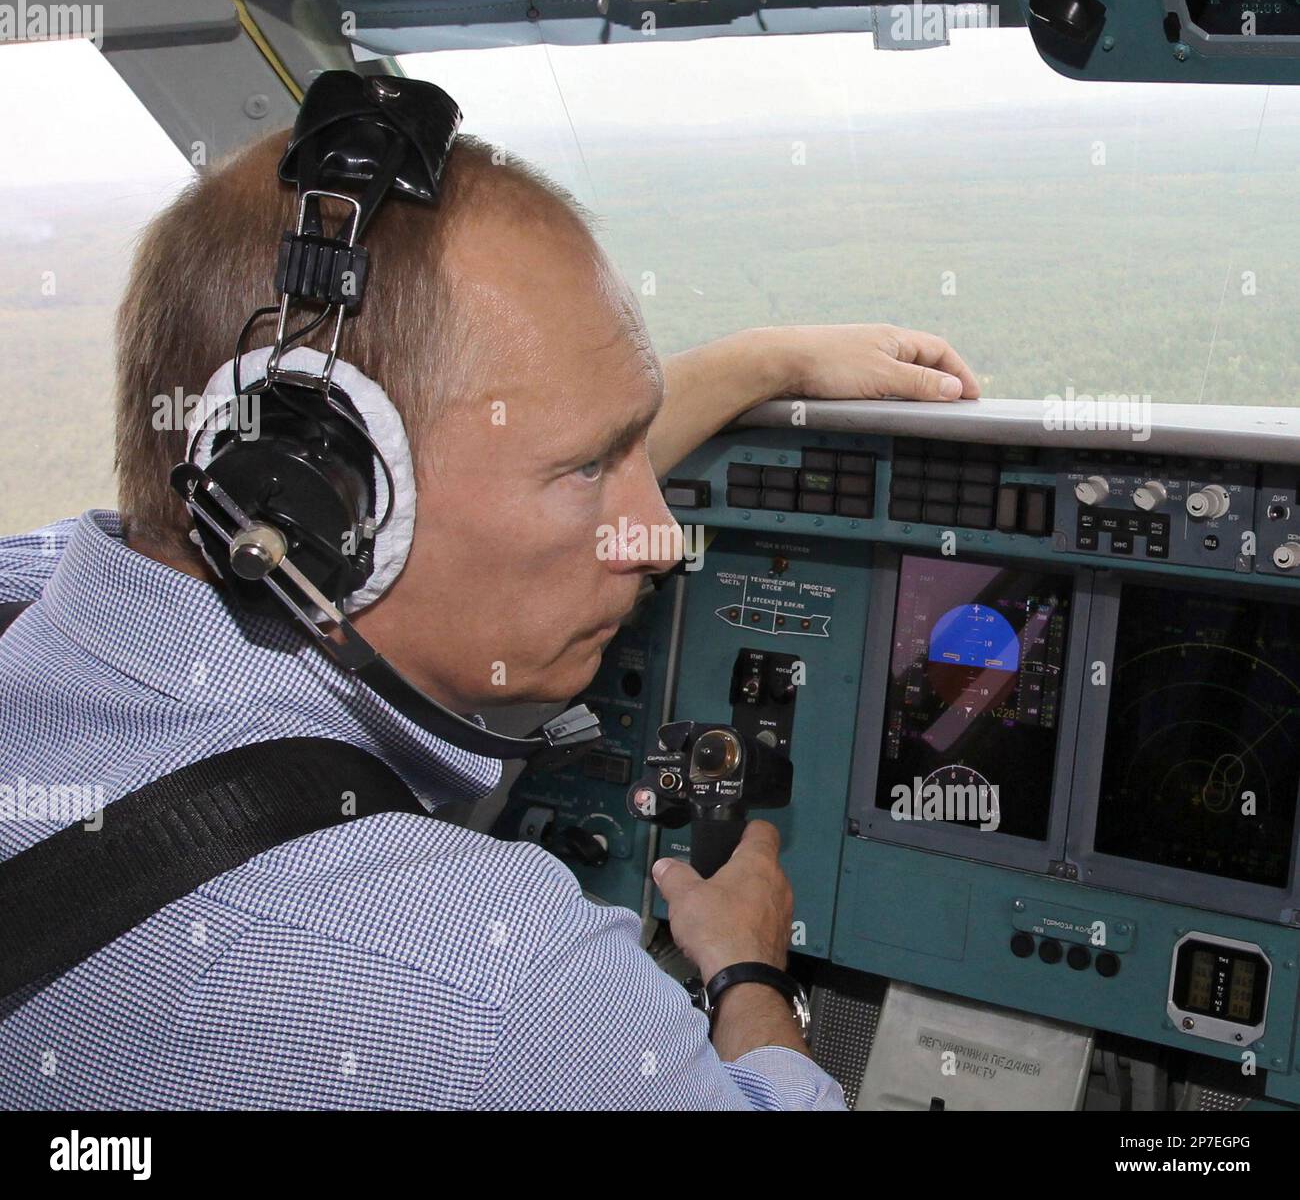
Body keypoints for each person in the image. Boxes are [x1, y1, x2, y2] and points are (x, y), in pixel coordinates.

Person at [0, 125, 978, 1109]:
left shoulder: (28, 586)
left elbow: (488, 445)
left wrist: (762, 362)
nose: (656, 540)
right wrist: (748, 971)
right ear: (330, 513)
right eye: (590, 468)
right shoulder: (493, 990)